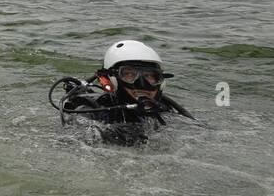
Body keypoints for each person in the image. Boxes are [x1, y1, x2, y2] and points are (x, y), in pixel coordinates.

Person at [50, 40, 194, 145]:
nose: (142, 84)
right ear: (111, 80)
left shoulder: (164, 108)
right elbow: (74, 141)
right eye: (130, 74)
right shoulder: (90, 110)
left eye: (150, 76)